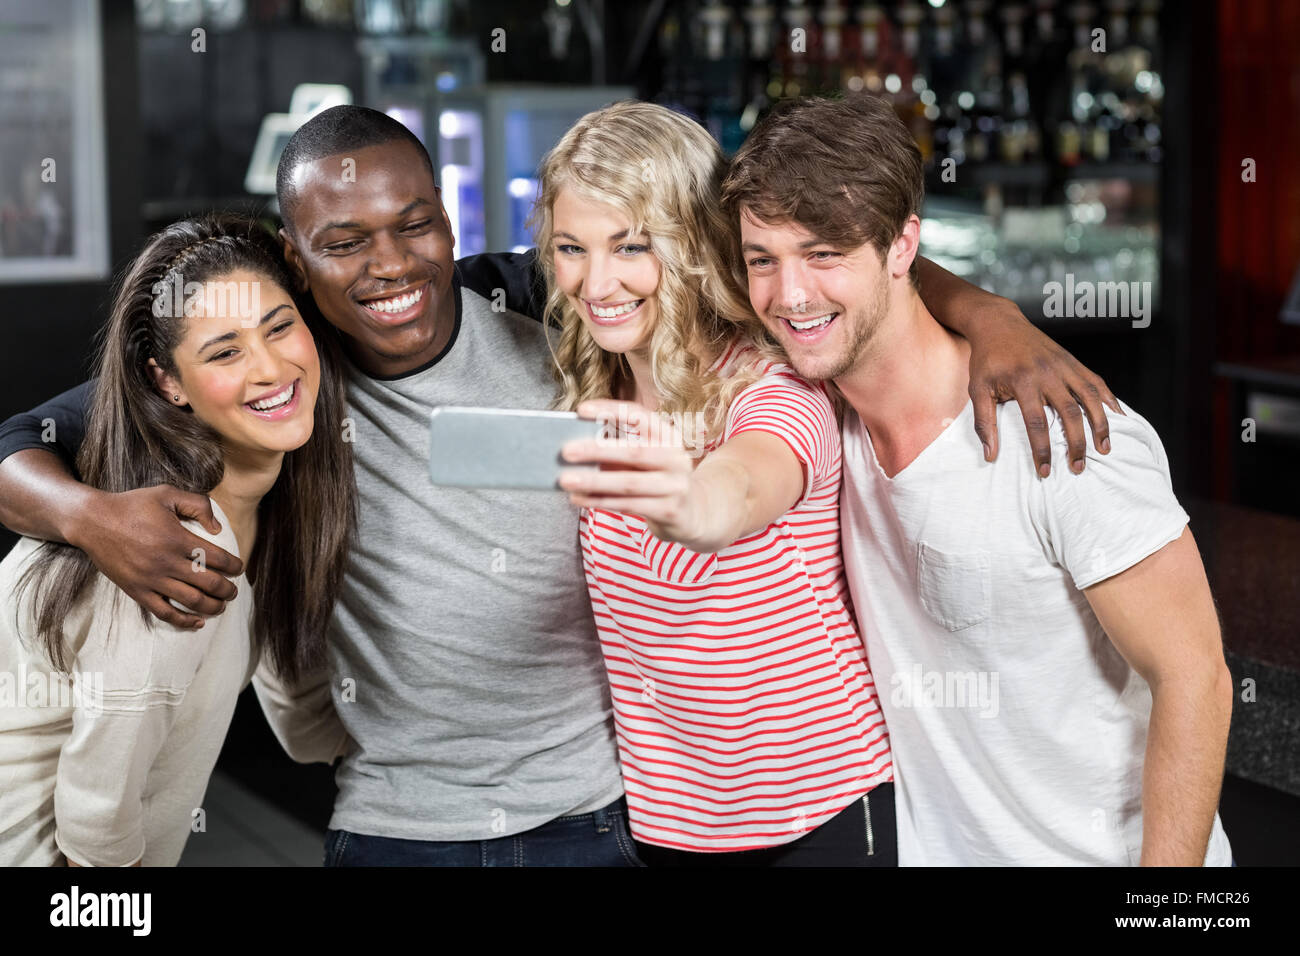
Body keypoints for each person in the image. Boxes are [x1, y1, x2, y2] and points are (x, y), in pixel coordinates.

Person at [0, 105, 1116, 867]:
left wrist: (994, 314)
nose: (389, 264)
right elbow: (29, 432)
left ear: (451, 224)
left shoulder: (547, 314)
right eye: (343, 243)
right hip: (400, 823)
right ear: (296, 262)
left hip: (608, 819)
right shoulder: (286, 371)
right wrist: (84, 513)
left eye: (414, 225)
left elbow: (820, 267)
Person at [720, 93, 1234, 866]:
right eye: (765, 259)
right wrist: (991, 309)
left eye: (823, 253)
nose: (789, 296)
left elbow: (1195, 678)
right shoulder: (821, 414)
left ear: (901, 249)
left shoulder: (1062, 432)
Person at [0, 214, 355, 866]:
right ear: (168, 382)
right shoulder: (171, 550)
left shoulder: (265, 499)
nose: (271, 367)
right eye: (225, 351)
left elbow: (303, 717)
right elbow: (96, 833)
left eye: (279, 327)